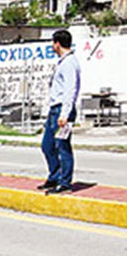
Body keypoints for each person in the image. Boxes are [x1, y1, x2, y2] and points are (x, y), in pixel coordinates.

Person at [39, 29, 81, 194]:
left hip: (62, 110)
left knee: (62, 146)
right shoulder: (63, 62)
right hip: (54, 110)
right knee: (47, 145)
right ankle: (54, 176)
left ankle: (65, 183)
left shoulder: (70, 63)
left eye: (53, 43)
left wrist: (64, 114)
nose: (52, 46)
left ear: (57, 43)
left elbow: (70, 90)